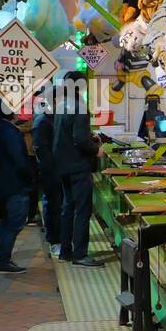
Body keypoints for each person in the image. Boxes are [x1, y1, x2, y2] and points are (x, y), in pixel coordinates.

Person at [53, 71, 104, 266]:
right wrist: (95, 150)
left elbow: (66, 135)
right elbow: (79, 139)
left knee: (68, 208)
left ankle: (66, 251)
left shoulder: (61, 105)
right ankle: (80, 254)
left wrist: (89, 138)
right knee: (83, 210)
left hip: (63, 164)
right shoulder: (80, 107)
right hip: (77, 166)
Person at [0, 98, 34, 273]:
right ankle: (1, 261)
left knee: (6, 222)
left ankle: (1, 259)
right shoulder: (9, 133)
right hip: (13, 184)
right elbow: (19, 160)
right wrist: (30, 177)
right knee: (13, 222)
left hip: (4, 183)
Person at [31, 93, 61, 258]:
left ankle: (59, 238)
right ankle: (54, 242)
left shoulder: (51, 117)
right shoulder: (42, 121)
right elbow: (42, 151)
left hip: (56, 170)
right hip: (51, 172)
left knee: (56, 205)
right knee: (53, 205)